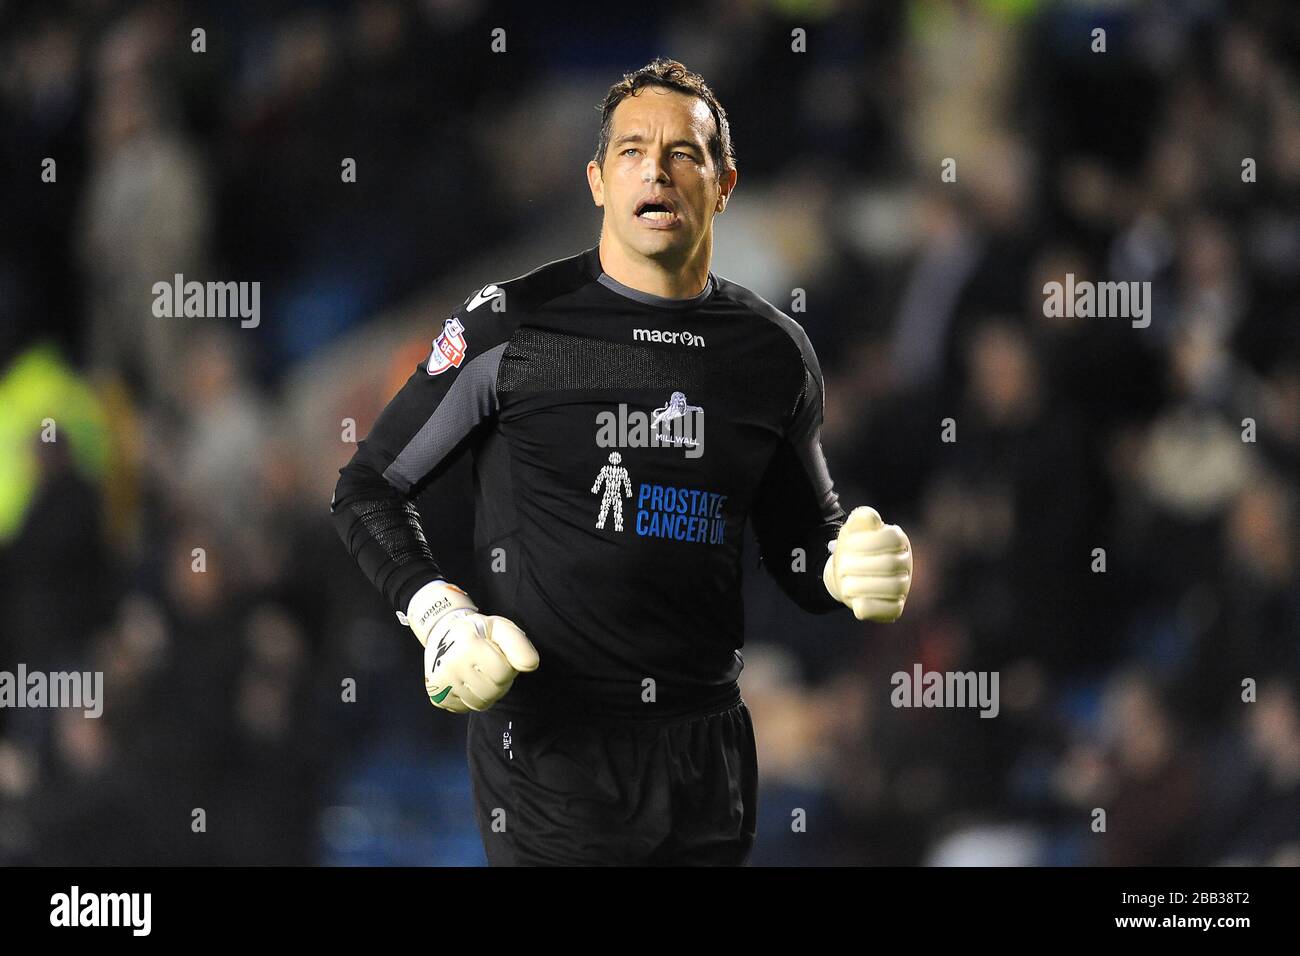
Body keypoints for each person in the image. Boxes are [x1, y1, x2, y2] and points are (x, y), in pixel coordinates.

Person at [330, 57, 912, 865]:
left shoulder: (773, 353)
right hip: (554, 746)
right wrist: (439, 615)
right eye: (634, 150)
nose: (658, 170)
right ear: (599, 181)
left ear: (725, 183)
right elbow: (367, 488)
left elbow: (799, 547)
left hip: (708, 755)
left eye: (685, 152)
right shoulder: (512, 326)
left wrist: (843, 567)